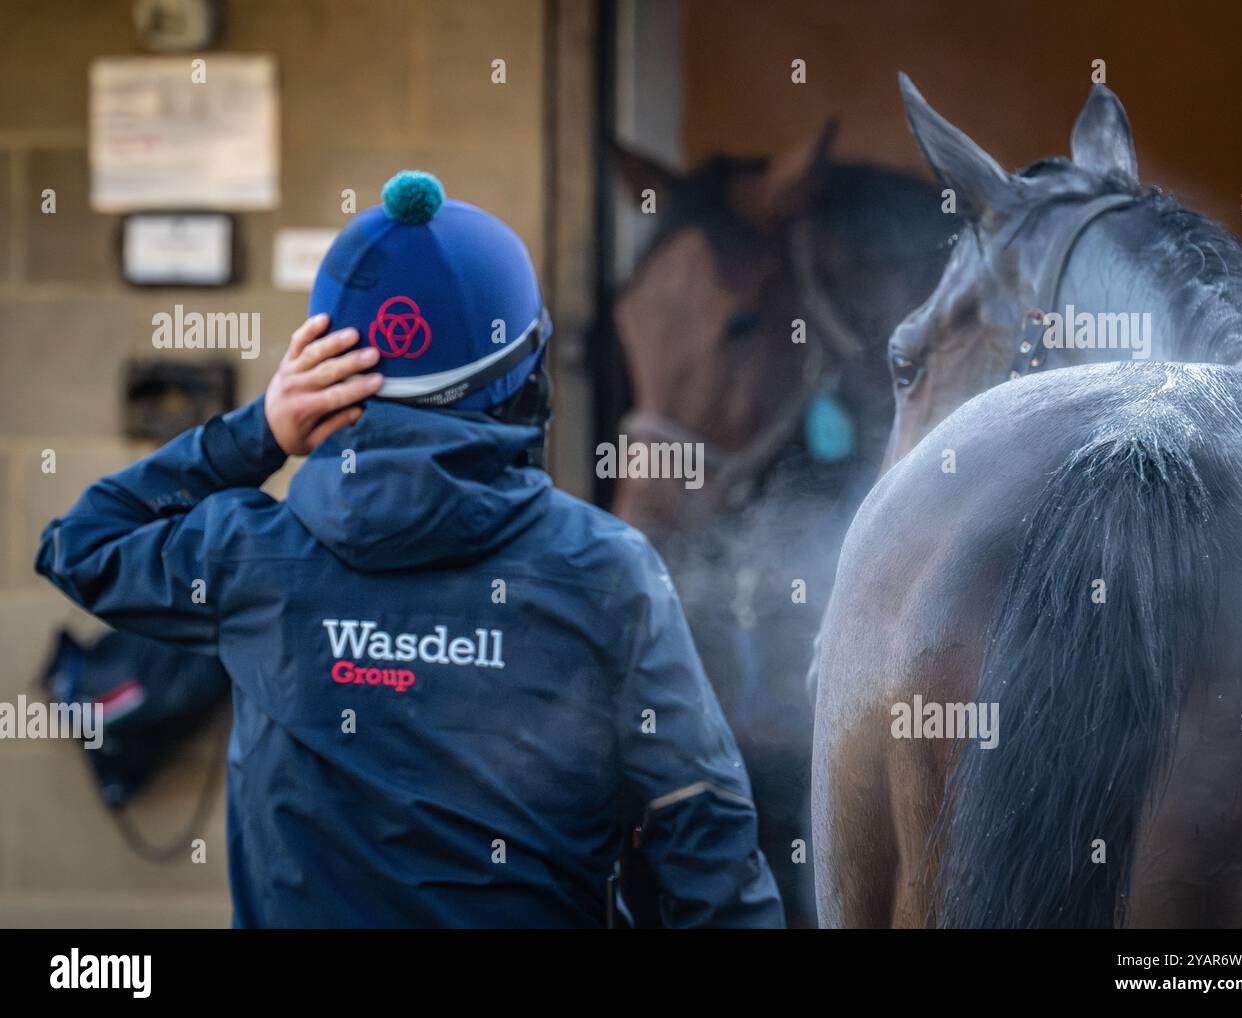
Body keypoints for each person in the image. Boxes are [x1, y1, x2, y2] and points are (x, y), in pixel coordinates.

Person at [36, 171, 783, 929]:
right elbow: (705, 833)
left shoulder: (248, 556)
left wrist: (257, 430)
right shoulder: (604, 570)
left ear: (324, 377)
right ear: (526, 375)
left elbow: (82, 544)